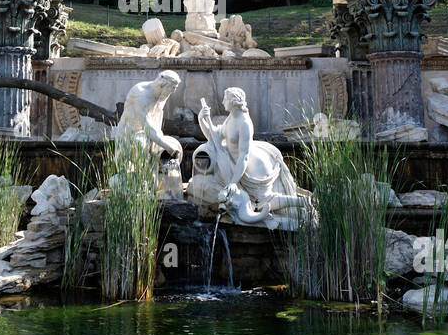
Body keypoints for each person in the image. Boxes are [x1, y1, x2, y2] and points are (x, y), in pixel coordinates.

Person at [193, 87, 311, 230]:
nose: (223, 101)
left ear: (233, 101)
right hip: (231, 163)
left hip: (250, 168)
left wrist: (233, 183)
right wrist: (201, 119)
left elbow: (244, 157)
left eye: (225, 98)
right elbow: (214, 138)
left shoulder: (244, 124)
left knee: (263, 200)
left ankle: (303, 202)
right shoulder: (231, 118)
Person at [113, 70, 183, 161]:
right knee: (140, 144)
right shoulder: (141, 94)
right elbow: (147, 127)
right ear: (162, 85)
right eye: (172, 88)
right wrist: (168, 148)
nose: (172, 92)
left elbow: (157, 116)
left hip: (149, 135)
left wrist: (160, 140)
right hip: (130, 137)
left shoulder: (163, 93)